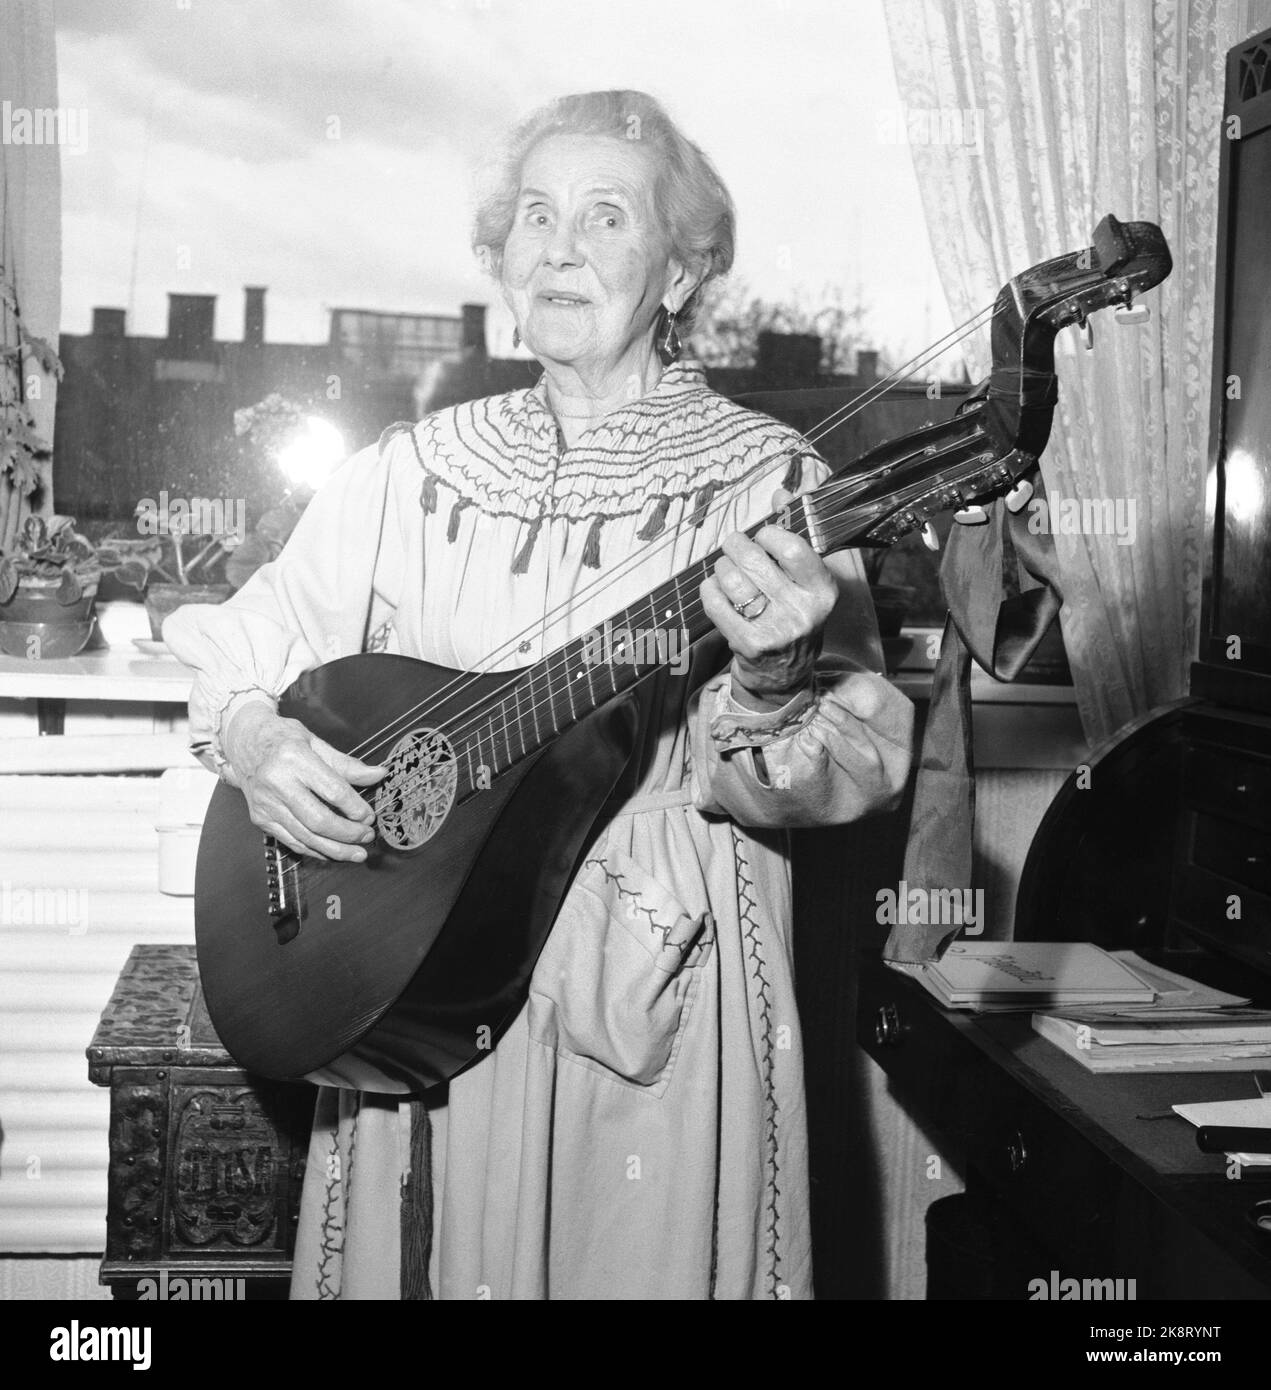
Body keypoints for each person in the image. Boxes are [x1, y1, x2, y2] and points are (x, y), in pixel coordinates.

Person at [164, 89, 913, 1301]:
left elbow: (833, 773)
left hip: (646, 983)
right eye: (534, 215)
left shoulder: (766, 487)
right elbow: (252, 635)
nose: (560, 248)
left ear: (677, 274)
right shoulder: (415, 470)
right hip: (415, 954)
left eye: (605, 217)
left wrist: (773, 679)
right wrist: (254, 739)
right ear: (501, 256)